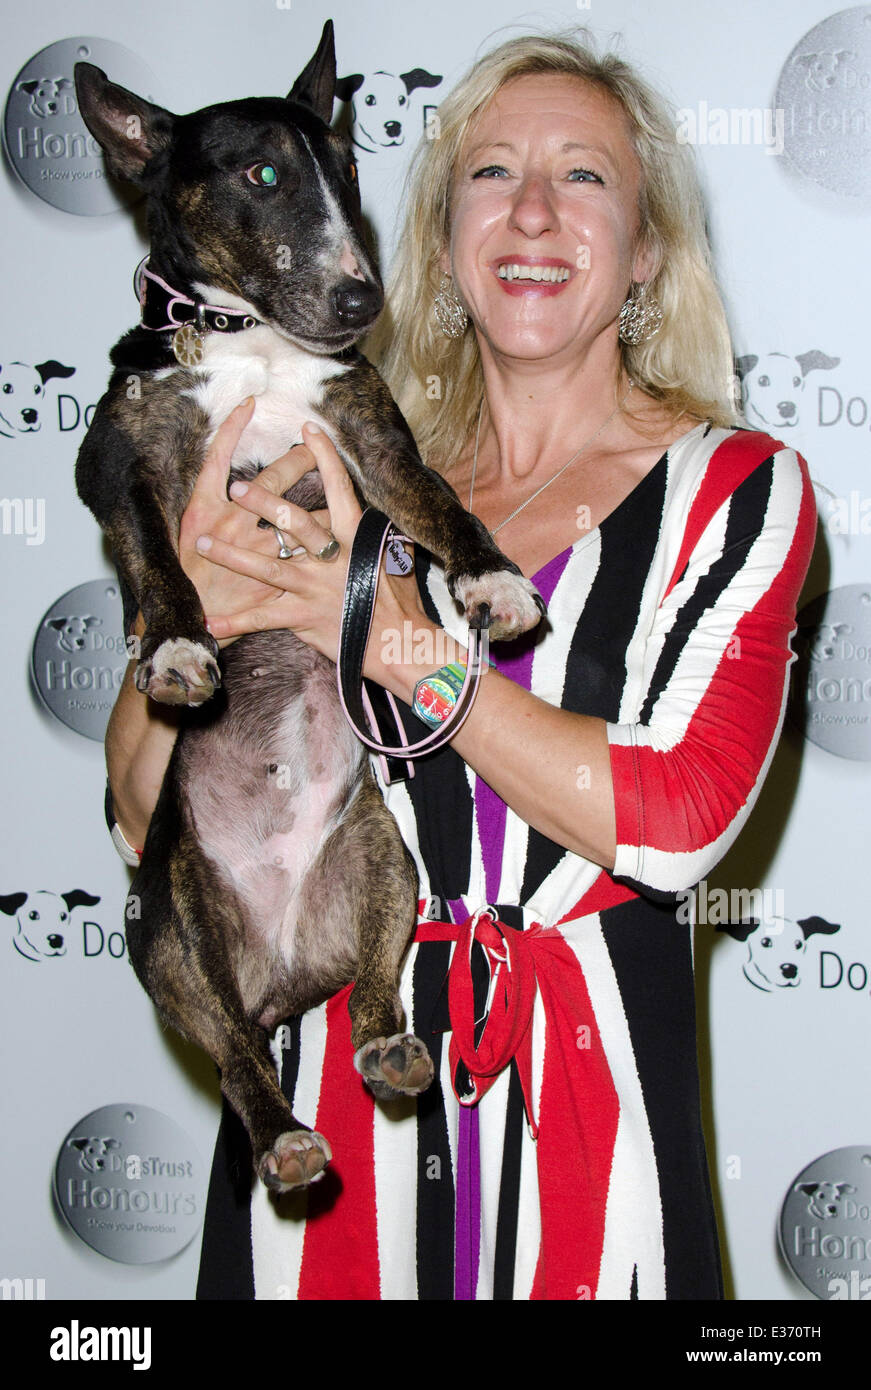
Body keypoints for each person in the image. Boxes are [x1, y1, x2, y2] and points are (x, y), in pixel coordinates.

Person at [104, 30, 816, 1300]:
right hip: (326, 1123)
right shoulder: (329, 458)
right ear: (439, 242)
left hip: (586, 1122)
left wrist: (375, 631)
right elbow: (138, 812)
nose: (533, 211)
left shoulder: (735, 488)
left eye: (583, 177)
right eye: (491, 173)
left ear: (646, 248)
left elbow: (674, 820)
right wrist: (197, 606)